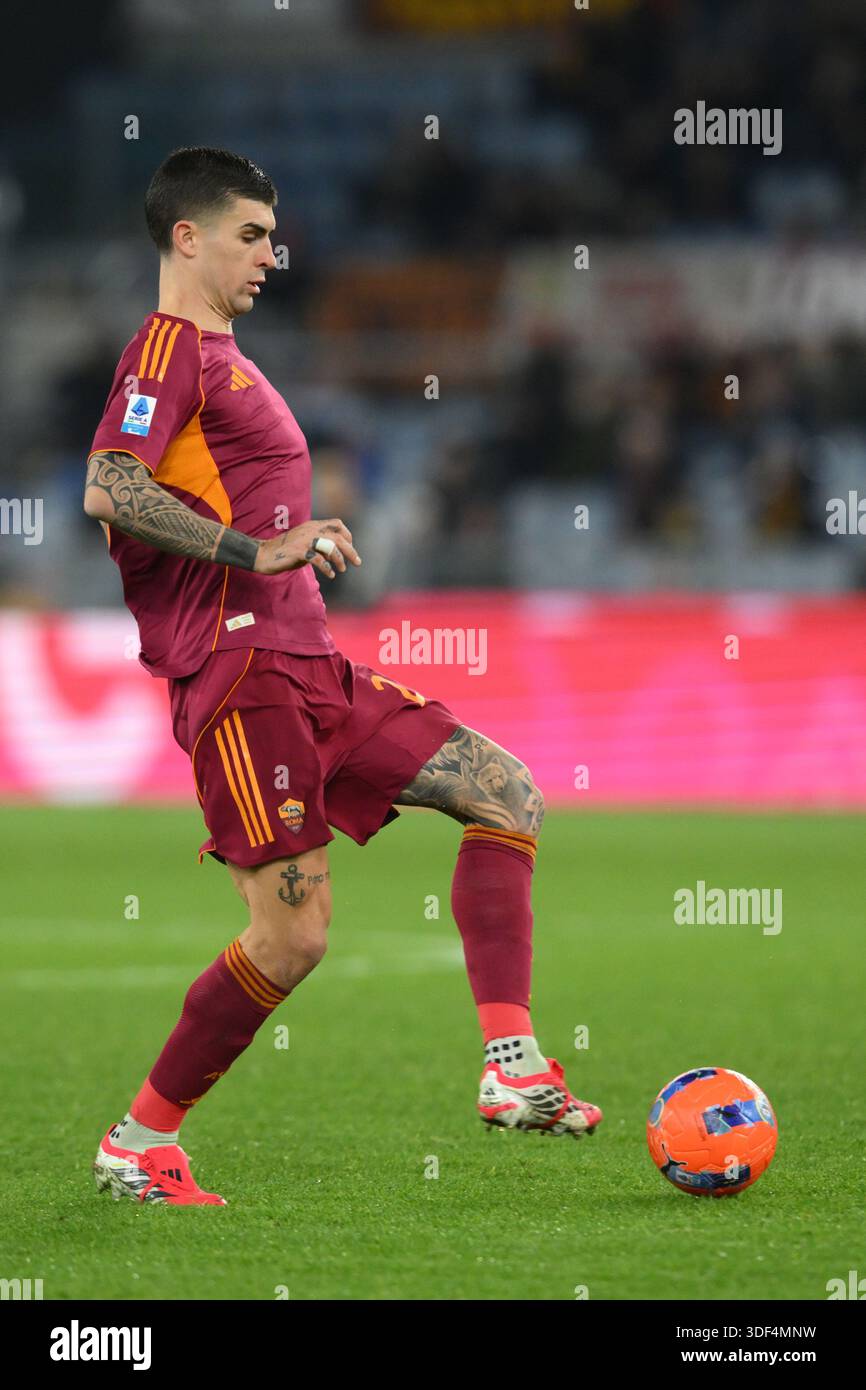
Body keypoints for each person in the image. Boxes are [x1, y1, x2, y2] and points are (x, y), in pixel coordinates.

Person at [83, 147, 602, 1205]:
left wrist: (293, 547)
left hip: (309, 667)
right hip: (240, 676)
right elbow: (108, 484)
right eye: (250, 234)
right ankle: (139, 1141)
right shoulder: (167, 349)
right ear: (186, 236)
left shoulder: (225, 355)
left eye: (273, 234)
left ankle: (511, 1069)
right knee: (292, 936)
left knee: (503, 793)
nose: (273, 253)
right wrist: (253, 551)